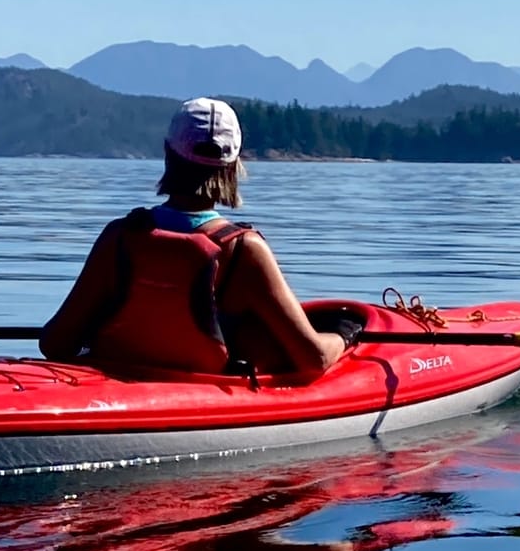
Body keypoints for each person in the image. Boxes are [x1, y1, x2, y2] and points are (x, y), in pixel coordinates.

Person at [38, 97, 352, 378]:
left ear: (167, 152)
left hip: (115, 382)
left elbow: (55, 343)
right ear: (234, 165)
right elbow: (314, 358)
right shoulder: (243, 250)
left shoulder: (121, 236)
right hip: (196, 397)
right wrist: (344, 334)